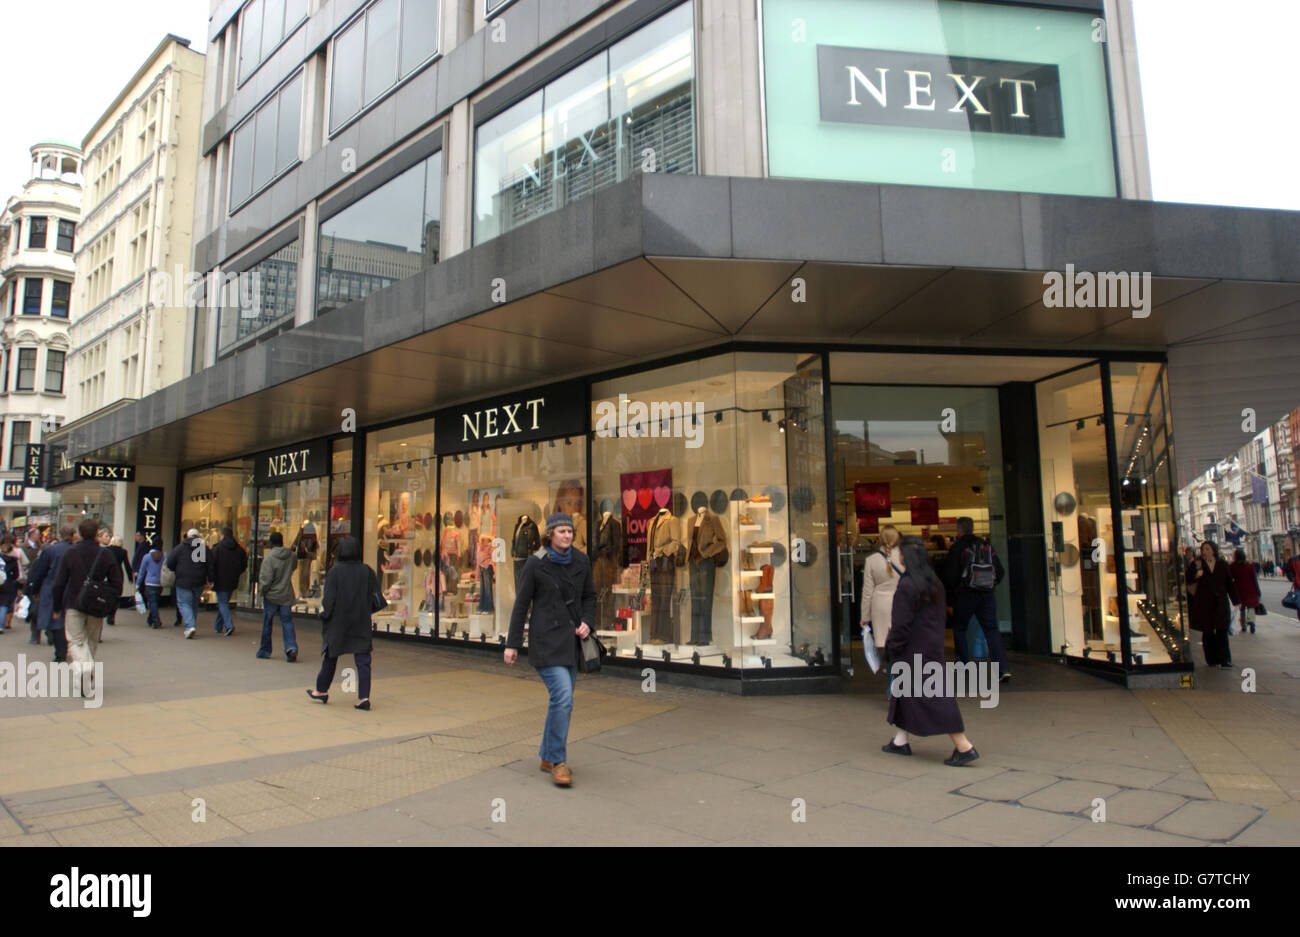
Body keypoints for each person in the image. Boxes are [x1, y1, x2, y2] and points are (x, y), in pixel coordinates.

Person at [504, 512, 596, 788]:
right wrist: (512, 644)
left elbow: (589, 597)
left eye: (570, 531)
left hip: (571, 642)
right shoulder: (535, 564)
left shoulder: (581, 560)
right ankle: (558, 761)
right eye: (561, 531)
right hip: (545, 640)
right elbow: (521, 605)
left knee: (562, 701)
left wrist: (587, 623)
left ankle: (546, 754)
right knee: (563, 698)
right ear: (550, 535)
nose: (567, 535)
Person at [882, 536, 979, 766]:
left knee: (934, 696)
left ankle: (963, 745)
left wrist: (892, 648)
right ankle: (900, 741)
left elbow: (901, 623)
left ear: (905, 557)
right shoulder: (934, 581)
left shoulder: (907, 585)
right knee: (908, 690)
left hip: (912, 648)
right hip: (930, 645)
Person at [307, 536, 380, 709]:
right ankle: (364, 697)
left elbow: (329, 600)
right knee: (363, 660)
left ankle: (321, 690)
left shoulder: (335, 572)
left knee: (331, 656)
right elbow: (376, 597)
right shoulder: (367, 571)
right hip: (361, 620)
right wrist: (365, 610)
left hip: (338, 621)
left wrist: (326, 615)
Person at [52, 519, 124, 688]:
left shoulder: (70, 553)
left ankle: (83, 670)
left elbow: (59, 583)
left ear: (79, 533)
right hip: (96, 605)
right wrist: (110, 602)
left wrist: (56, 607)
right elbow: (117, 582)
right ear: (97, 533)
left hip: (74, 603)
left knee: (75, 641)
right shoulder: (105, 554)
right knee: (91, 640)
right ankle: (85, 673)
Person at [943, 517, 1010, 682]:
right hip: (986, 595)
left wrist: (952, 595)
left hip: (965, 594)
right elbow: (1000, 572)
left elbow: (950, 576)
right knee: (991, 630)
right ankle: (1002, 669)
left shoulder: (957, 547)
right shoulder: (986, 545)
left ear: (959, 530)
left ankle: (963, 666)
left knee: (959, 628)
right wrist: (988, 585)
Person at [26, 524, 77, 661]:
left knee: (56, 620)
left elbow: (40, 572)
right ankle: (66, 649)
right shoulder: (75, 550)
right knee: (70, 619)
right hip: (72, 589)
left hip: (52, 587)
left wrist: (35, 590)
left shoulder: (50, 550)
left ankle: (60, 652)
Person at [1187, 541, 1238, 668]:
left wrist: (1236, 600)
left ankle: (1225, 659)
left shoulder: (1222, 564)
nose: (1204, 551)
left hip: (1220, 602)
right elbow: (1187, 580)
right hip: (1204, 602)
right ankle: (1211, 659)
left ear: (1213, 550)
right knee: (1208, 631)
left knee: (1222, 631)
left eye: (1207, 549)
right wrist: (1196, 576)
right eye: (1203, 549)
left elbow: (1229, 582)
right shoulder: (1196, 564)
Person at [257, 531, 299, 661]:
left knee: (267, 623)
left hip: (272, 595)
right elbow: (293, 567)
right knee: (287, 622)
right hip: (286, 593)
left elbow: (266, 579)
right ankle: (291, 647)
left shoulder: (269, 558)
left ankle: (265, 650)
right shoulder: (291, 556)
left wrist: (262, 592)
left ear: (271, 543)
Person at [860, 525, 903, 651]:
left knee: (883, 641)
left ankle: (888, 667)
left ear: (880, 539)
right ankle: (902, 666)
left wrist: (865, 616)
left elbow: (867, 591)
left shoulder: (871, 560)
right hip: (902, 601)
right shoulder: (904, 557)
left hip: (879, 603)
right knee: (902, 638)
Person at [166, 529, 210, 639]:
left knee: (184, 603)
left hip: (183, 580)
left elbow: (170, 562)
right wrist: (209, 578)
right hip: (199, 580)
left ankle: (190, 626)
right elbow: (209, 564)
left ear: (187, 536)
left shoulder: (180, 548)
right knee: (194, 603)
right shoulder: (202, 548)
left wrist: (177, 569)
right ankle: (191, 625)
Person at [208, 527, 248, 636]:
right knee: (224, 602)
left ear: (222, 536)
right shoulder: (239, 549)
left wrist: (210, 579)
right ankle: (217, 626)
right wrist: (237, 572)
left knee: (222, 603)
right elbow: (244, 564)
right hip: (232, 580)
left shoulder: (217, 549)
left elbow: (211, 565)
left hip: (219, 580)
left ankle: (229, 625)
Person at [1228, 548, 1261, 635]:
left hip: (1239, 589)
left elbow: (1230, 578)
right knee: (1251, 606)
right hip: (1251, 589)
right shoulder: (1250, 566)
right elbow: (1254, 579)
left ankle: (1243, 626)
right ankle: (1251, 621)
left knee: (1241, 608)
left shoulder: (1232, 566)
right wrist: (1258, 590)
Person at [136, 542, 165, 627]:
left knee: (152, 603)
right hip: (160, 583)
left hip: (149, 582)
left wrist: (137, 584)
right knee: (155, 602)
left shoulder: (147, 557)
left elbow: (141, 572)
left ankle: (156, 621)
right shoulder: (164, 556)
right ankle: (150, 619)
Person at [0, 534, 18, 633]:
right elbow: (16, 574)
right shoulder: (13, 560)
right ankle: (1, 625)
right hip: (8, 583)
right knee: (4, 604)